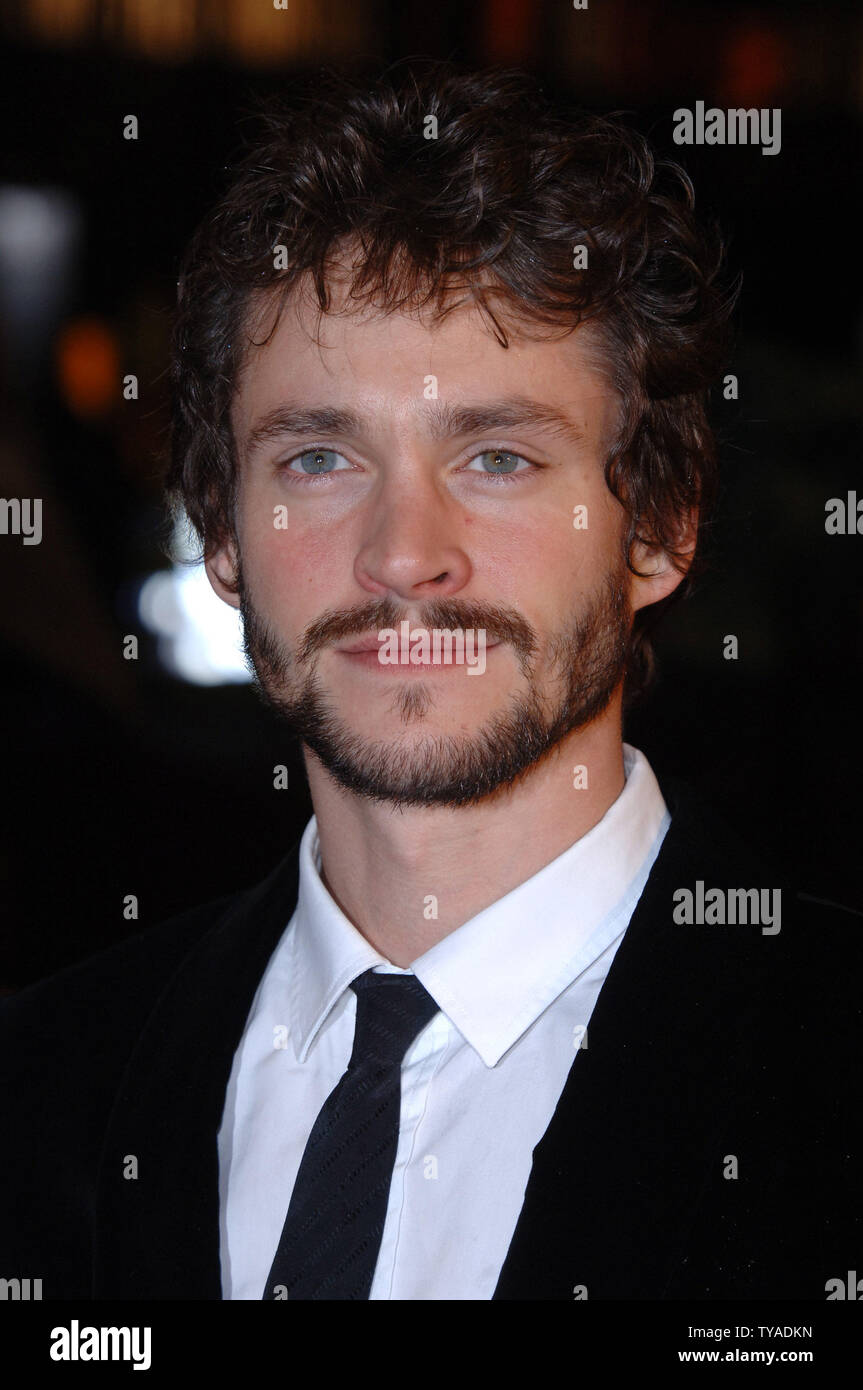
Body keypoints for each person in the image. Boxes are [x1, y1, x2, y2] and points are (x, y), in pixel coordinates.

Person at [1, 60, 859, 1302]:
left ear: (658, 528)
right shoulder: (42, 1082)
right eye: (317, 455)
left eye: (498, 455)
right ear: (227, 535)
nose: (404, 552)